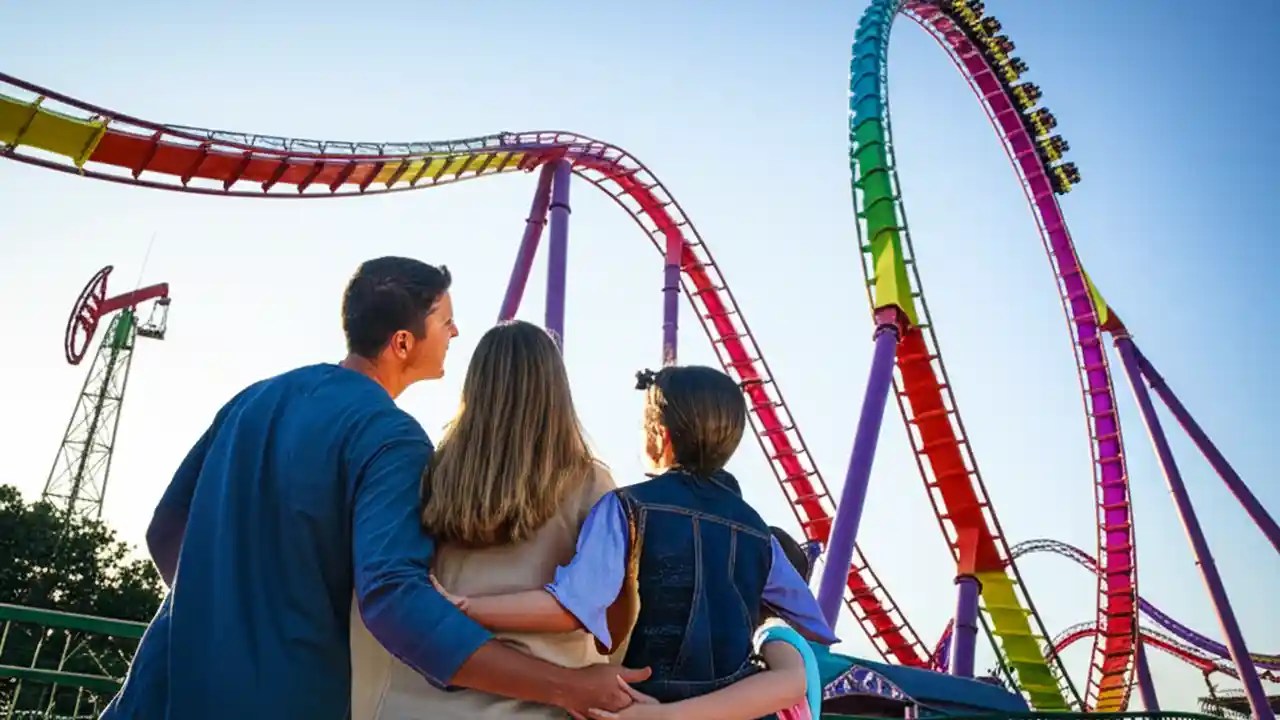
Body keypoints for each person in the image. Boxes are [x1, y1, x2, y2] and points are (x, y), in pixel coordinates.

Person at [101, 257, 646, 720]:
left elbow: (164, 529)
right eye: (446, 322)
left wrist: (223, 608)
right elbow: (394, 601)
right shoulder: (392, 439)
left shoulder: (254, 398)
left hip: (166, 679)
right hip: (281, 695)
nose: (456, 333)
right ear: (404, 341)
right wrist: (564, 685)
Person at [438, 364, 838, 718]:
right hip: (731, 706)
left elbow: (573, 606)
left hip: (645, 700)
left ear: (659, 437)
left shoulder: (627, 508)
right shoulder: (760, 535)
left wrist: (469, 606)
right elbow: (809, 618)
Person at [350, 319, 631, 719]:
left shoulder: (431, 474)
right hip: (539, 704)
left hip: (418, 703)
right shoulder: (589, 482)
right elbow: (601, 611)